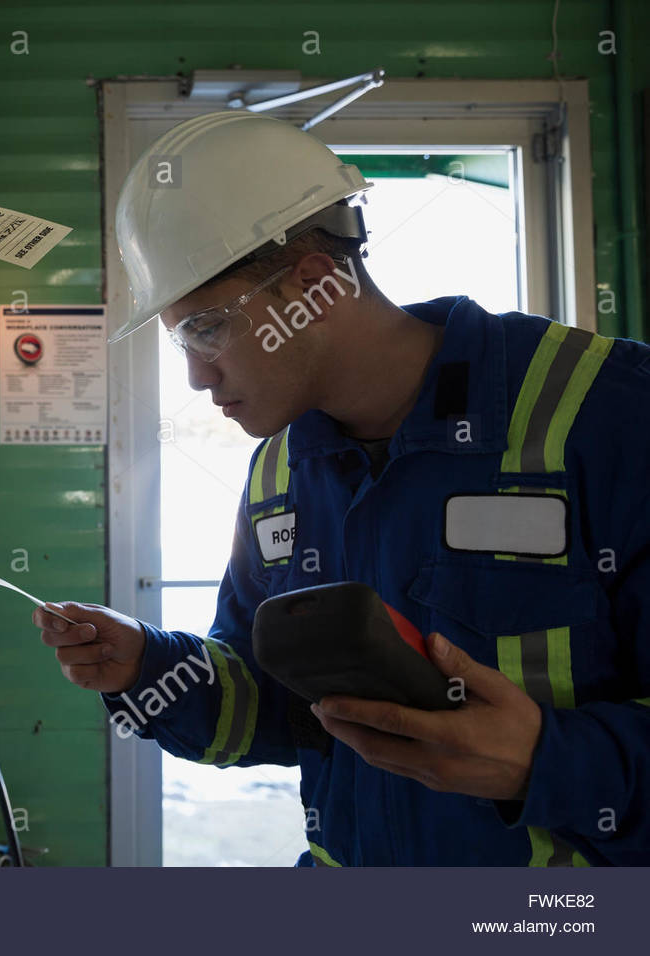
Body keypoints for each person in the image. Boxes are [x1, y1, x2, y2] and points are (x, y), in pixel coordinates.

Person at [33, 110, 650, 865]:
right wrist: (149, 668)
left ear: (314, 283)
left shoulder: (611, 417)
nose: (195, 375)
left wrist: (545, 762)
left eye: (205, 331)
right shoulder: (280, 472)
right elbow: (280, 710)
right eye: (179, 341)